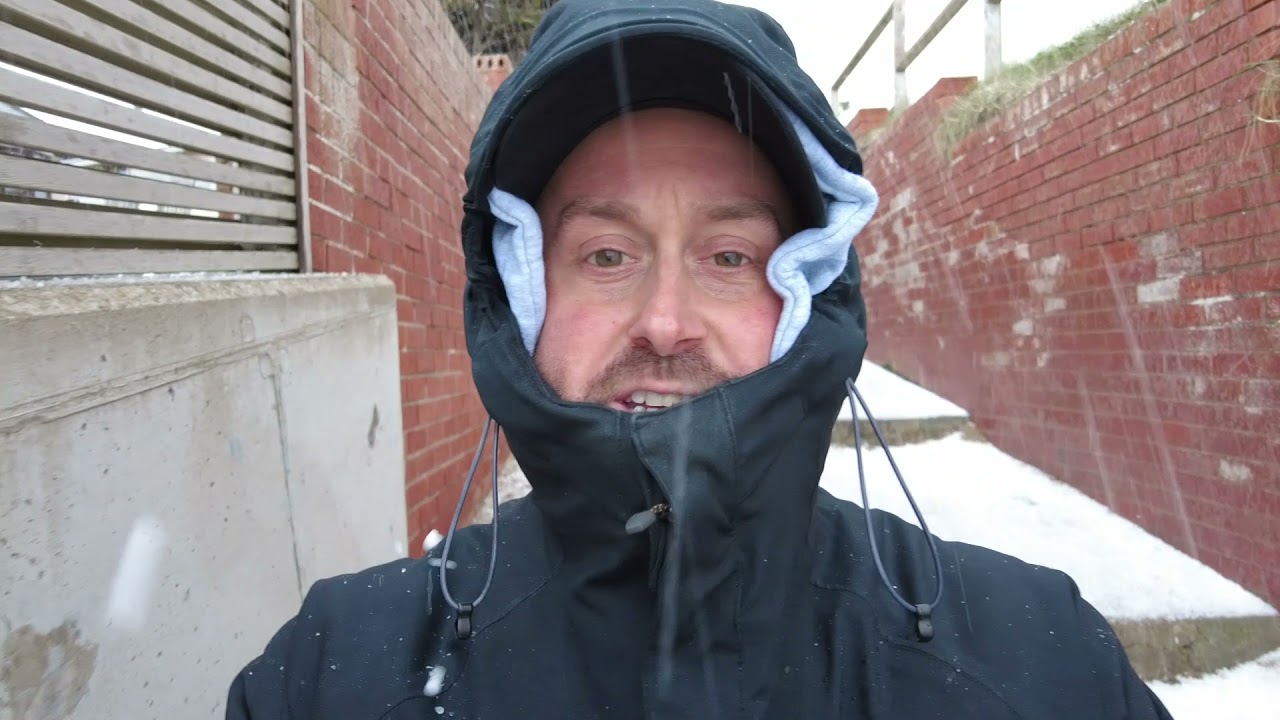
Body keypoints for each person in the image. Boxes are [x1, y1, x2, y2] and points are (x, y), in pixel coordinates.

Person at [226, 0, 1174, 717]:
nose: (665, 322)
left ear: (810, 298)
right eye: (606, 256)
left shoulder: (1041, 667)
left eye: (731, 258)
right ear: (521, 298)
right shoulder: (332, 673)